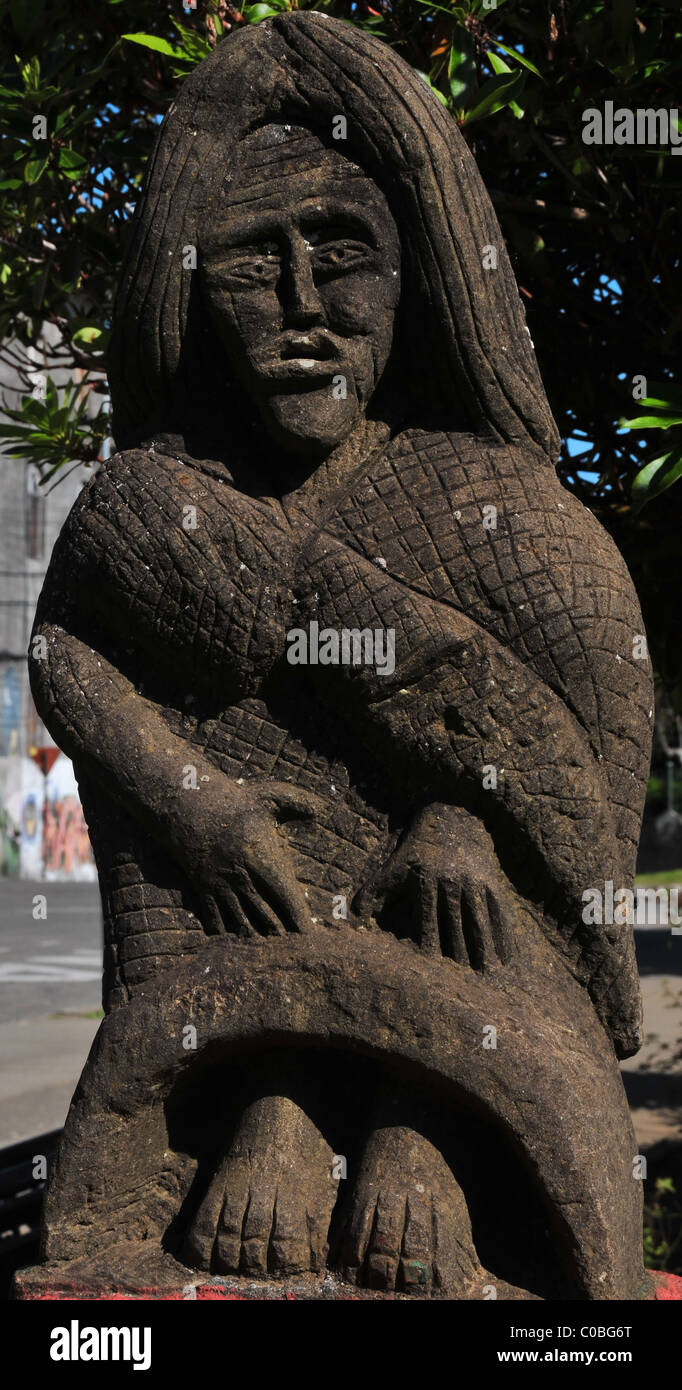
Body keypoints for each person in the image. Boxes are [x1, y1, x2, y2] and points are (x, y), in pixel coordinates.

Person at [30, 14, 652, 1292]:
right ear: (195, 287)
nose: (304, 306)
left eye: (345, 256)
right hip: (232, 909)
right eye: (256, 263)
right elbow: (70, 655)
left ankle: (426, 1116)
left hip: (454, 945)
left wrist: (465, 822)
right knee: (216, 749)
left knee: (459, 887)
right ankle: (271, 1085)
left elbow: (588, 759)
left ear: (418, 275)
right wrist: (196, 805)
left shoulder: (503, 515)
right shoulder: (157, 499)